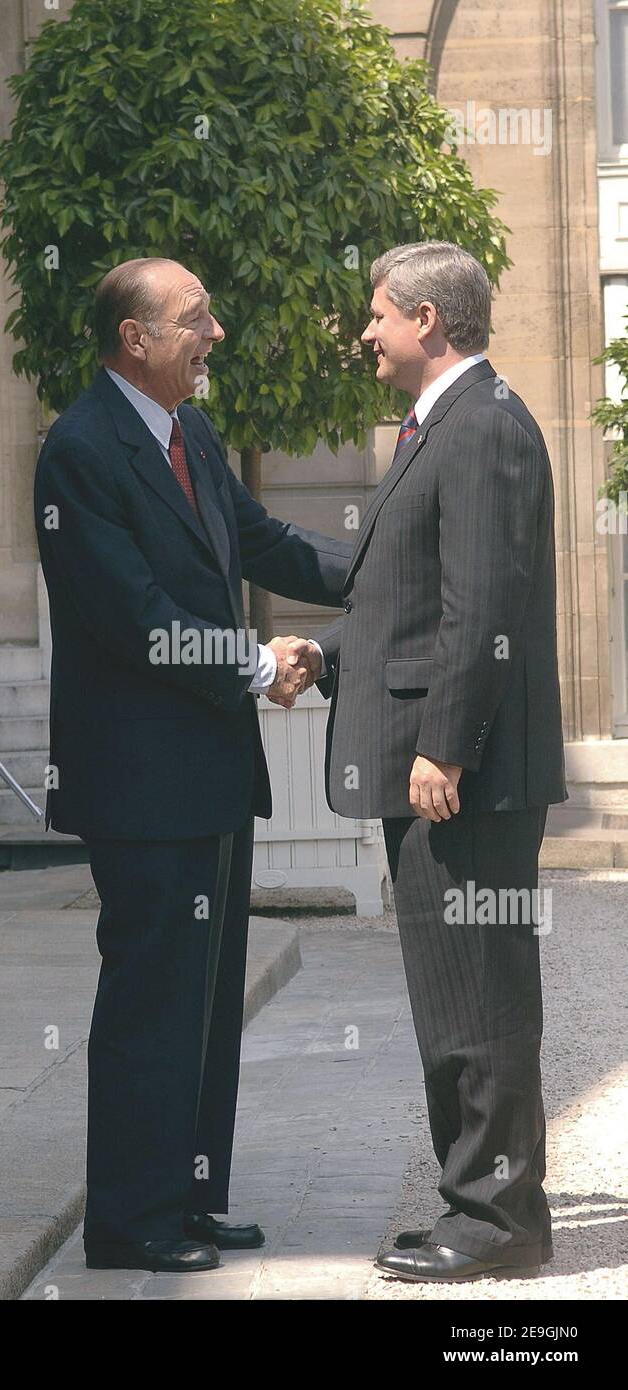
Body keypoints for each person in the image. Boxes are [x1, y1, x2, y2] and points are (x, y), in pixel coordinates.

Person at [34, 257, 349, 1273]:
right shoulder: (79, 451)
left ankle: (189, 1194)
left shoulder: (192, 433)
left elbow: (258, 541)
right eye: (194, 319)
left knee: (208, 1003)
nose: (213, 333)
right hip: (139, 784)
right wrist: (260, 664)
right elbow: (135, 619)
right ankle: (129, 1222)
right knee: (150, 1005)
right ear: (134, 338)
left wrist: (384, 560)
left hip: (209, 771)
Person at [310, 241, 567, 1282]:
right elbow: (403, 602)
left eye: (376, 314)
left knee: (479, 1000)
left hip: (462, 776)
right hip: (439, 767)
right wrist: (317, 656)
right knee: (449, 997)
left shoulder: (482, 428)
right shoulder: (443, 424)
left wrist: (441, 748)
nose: (364, 332)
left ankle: (498, 1222)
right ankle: (475, 1205)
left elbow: (481, 611)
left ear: (426, 320)